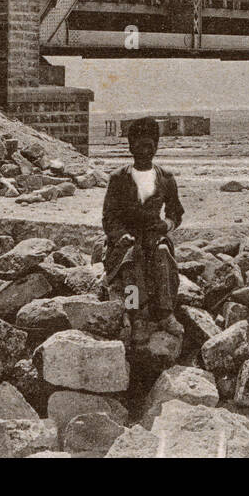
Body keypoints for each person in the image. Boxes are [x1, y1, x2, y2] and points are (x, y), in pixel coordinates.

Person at [100, 117, 184, 339]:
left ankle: (166, 312)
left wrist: (166, 225)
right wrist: (120, 236)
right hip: (125, 238)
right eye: (139, 146)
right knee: (131, 261)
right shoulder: (118, 178)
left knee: (163, 254)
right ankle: (135, 314)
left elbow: (176, 212)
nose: (145, 151)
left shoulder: (166, 178)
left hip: (154, 235)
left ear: (156, 146)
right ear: (130, 147)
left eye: (150, 145)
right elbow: (108, 217)